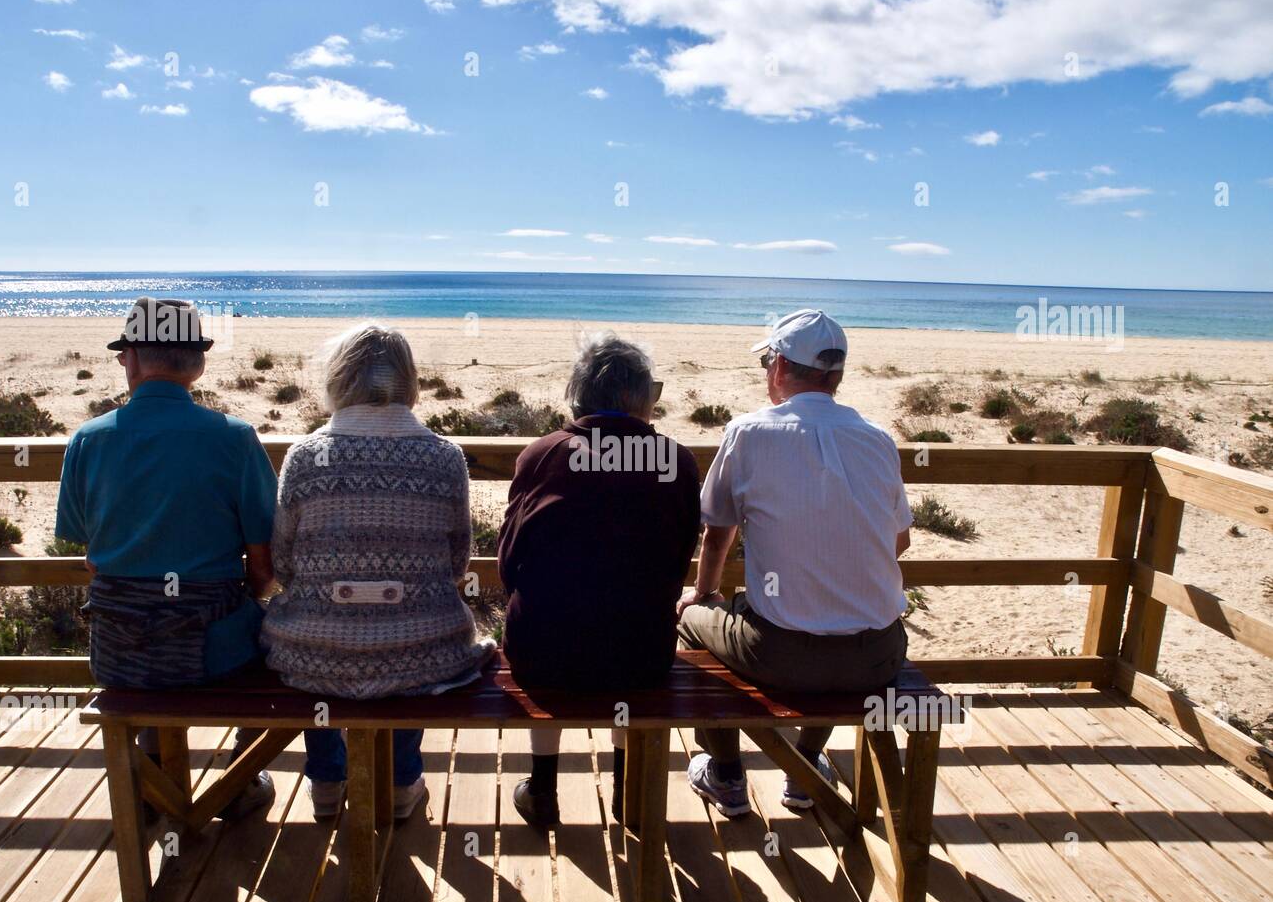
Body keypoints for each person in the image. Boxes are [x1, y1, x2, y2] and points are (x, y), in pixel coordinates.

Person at [676, 309, 913, 817]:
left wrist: (704, 594)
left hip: (782, 656)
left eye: (766, 360)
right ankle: (804, 768)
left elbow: (717, 532)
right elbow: (900, 542)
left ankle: (725, 773)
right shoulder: (877, 439)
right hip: (878, 655)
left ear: (780, 365)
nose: (766, 370)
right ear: (835, 375)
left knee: (691, 622)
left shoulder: (750, 433)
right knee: (829, 613)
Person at [262, 323, 496, 821]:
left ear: (340, 379)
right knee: (414, 639)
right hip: (421, 653)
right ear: (409, 381)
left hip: (316, 654)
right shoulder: (443, 457)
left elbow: (283, 565)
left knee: (320, 636)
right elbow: (457, 563)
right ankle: (400, 782)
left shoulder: (306, 457)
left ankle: (327, 783)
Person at [56, 296, 277, 819]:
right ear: (197, 363)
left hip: (118, 653)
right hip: (218, 654)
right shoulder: (235, 439)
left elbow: (89, 553)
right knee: (280, 649)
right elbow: (264, 568)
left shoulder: (87, 440)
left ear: (129, 359)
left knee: (150, 647)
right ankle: (240, 780)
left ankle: (155, 784)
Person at [498, 332, 701, 828]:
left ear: (581, 395)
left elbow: (509, 560)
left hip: (542, 654)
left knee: (548, 627)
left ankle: (542, 789)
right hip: (640, 656)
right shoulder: (675, 461)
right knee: (623, 637)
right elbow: (678, 561)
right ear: (639, 399)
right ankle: (624, 791)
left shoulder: (543, 454)